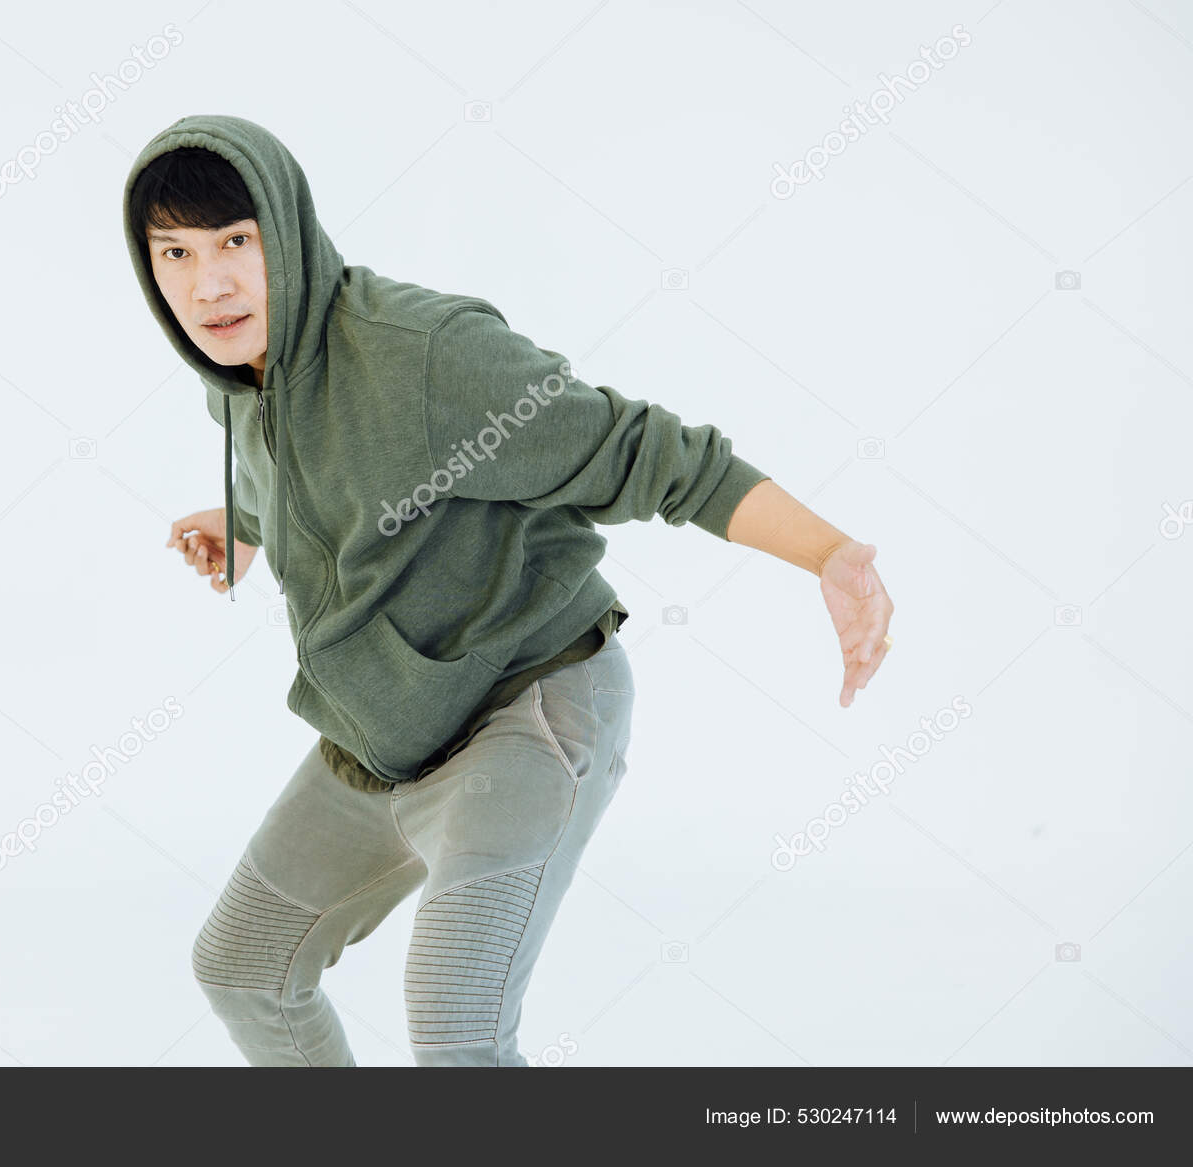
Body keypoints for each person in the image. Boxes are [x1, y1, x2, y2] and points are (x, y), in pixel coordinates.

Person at [123, 114, 894, 1067]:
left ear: (287, 228)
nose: (210, 284)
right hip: (388, 733)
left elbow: (644, 453)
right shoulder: (239, 372)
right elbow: (321, 471)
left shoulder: (423, 354)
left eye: (237, 241)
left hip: (528, 707)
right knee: (242, 966)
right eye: (177, 252)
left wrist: (829, 554)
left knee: (455, 1023)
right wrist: (245, 525)